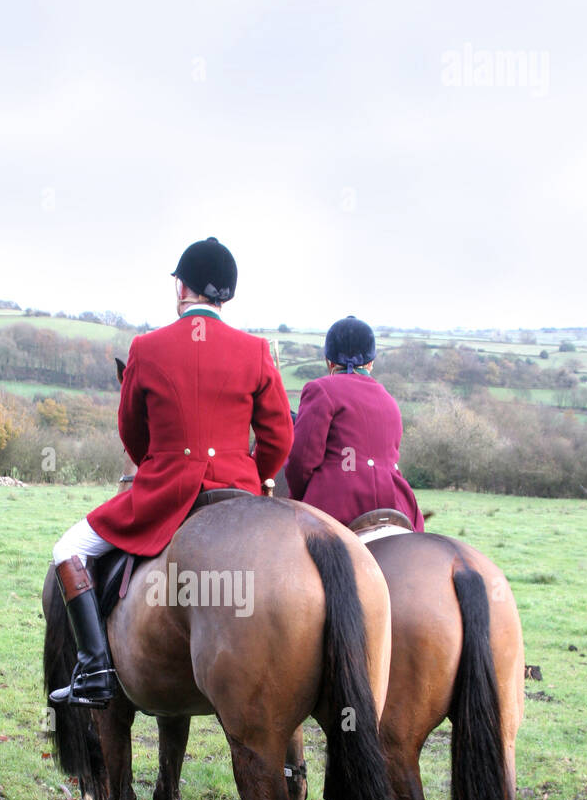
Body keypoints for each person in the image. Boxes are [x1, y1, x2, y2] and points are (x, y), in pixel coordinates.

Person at [49, 237, 294, 708]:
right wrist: (247, 476)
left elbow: (131, 432)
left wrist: (155, 467)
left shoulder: (146, 347)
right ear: (226, 295)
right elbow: (279, 436)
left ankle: (95, 670)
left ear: (182, 288)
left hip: (164, 494)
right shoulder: (257, 350)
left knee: (69, 548)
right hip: (238, 494)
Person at [285, 315, 424, 535]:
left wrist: (300, 496)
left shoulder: (321, 389)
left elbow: (301, 461)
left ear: (329, 361)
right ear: (370, 362)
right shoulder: (388, 398)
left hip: (336, 501)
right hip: (396, 502)